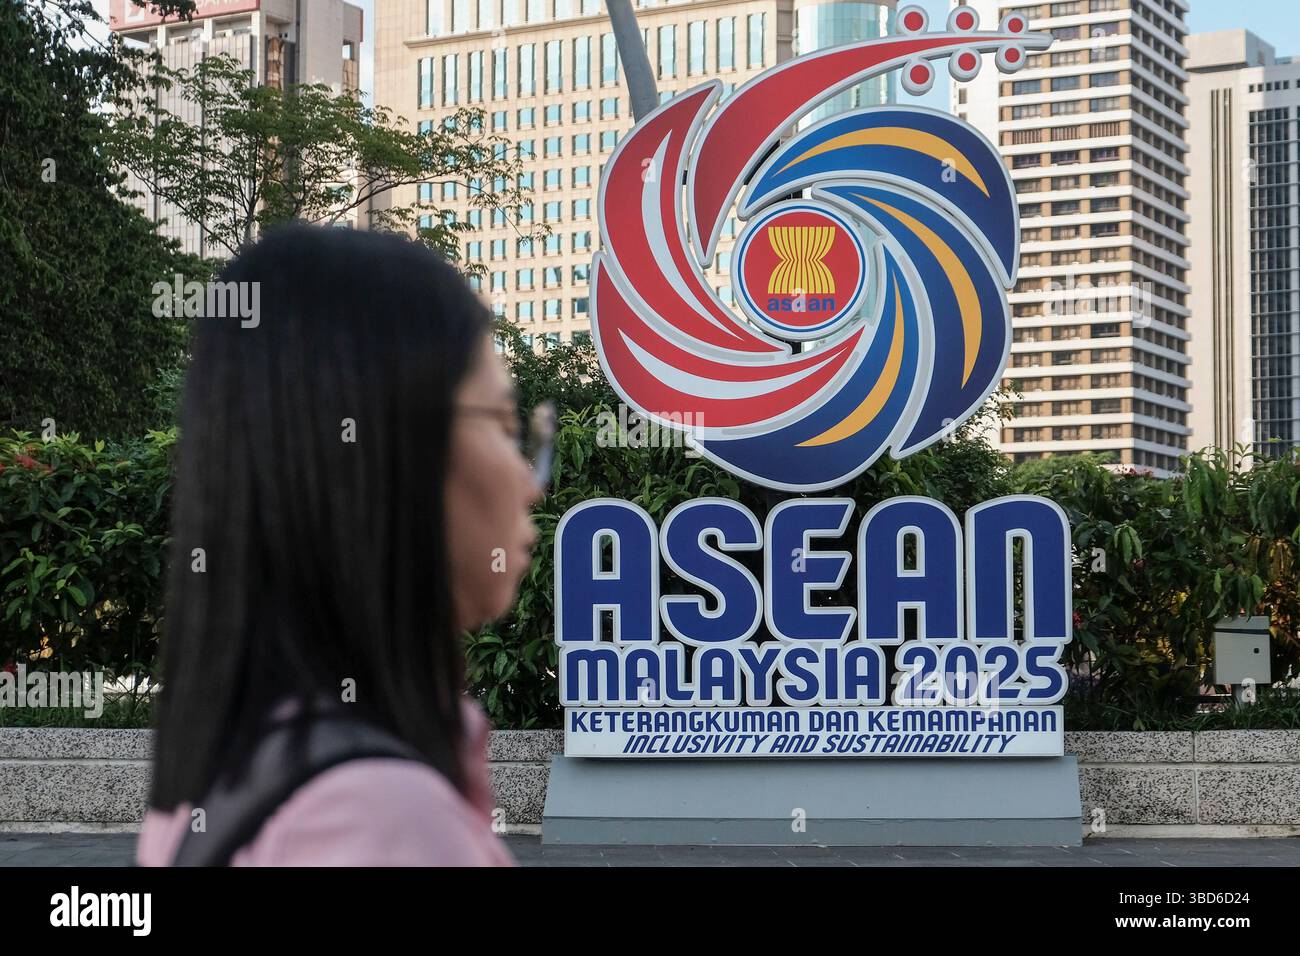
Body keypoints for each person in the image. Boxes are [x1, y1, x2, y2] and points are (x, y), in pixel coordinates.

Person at [136, 224, 545, 866]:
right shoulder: (383, 821)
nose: (530, 483)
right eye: (506, 424)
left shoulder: (220, 772)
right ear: (394, 452)